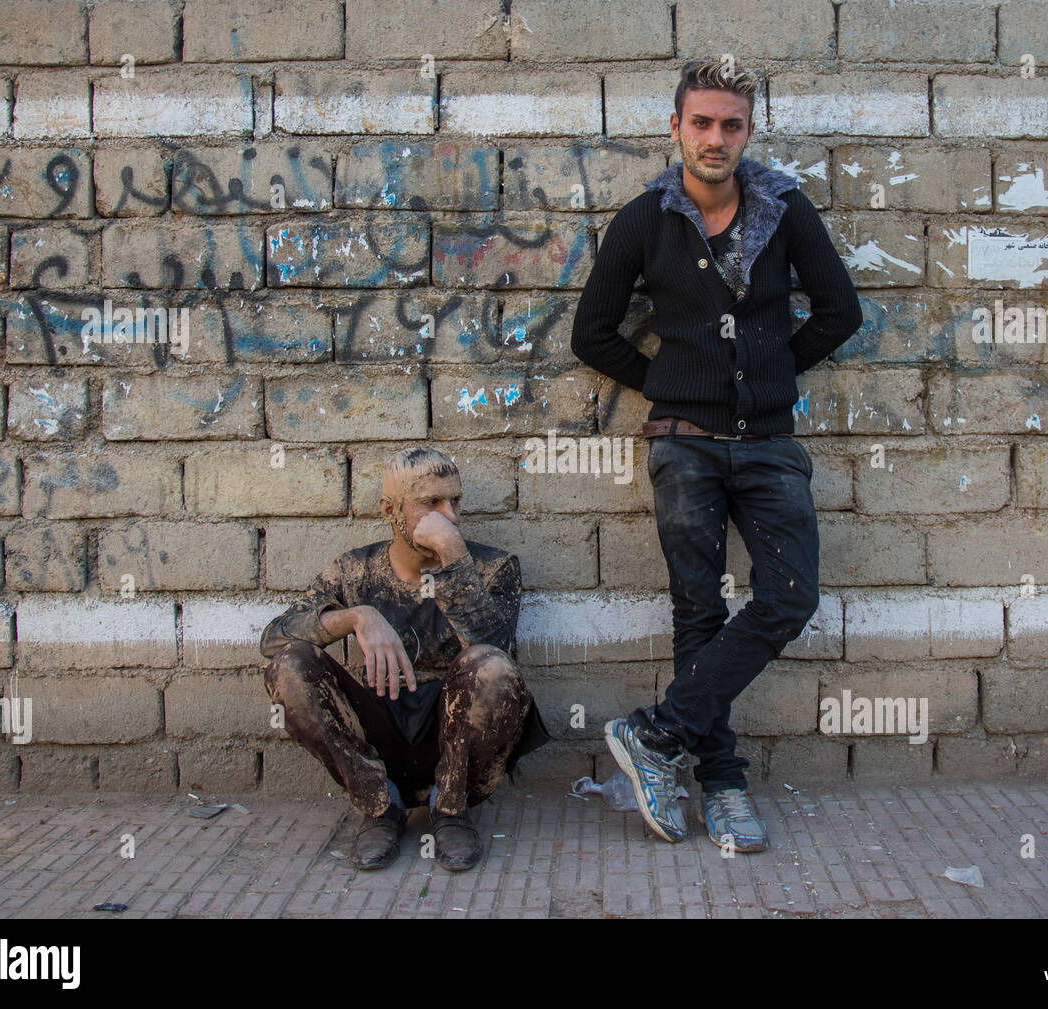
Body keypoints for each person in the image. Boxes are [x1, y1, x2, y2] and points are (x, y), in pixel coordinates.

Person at [571, 58, 862, 851]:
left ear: (748, 132)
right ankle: (724, 783)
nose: (715, 137)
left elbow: (841, 310)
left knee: (789, 595)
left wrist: (767, 373)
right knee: (698, 611)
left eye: (730, 124)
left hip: (768, 443)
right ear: (676, 129)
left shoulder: (784, 210)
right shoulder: (644, 220)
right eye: (700, 122)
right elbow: (591, 332)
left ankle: (656, 735)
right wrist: (674, 384)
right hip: (685, 447)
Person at [260, 446, 550, 871]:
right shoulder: (355, 570)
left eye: (455, 502)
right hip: (382, 729)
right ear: (390, 509)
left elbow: (493, 645)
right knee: (288, 666)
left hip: (453, 741)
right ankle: (380, 807)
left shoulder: (492, 567)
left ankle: (451, 811)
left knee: (491, 667)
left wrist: (453, 556)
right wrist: (356, 617)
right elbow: (274, 638)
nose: (448, 516)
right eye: (430, 503)